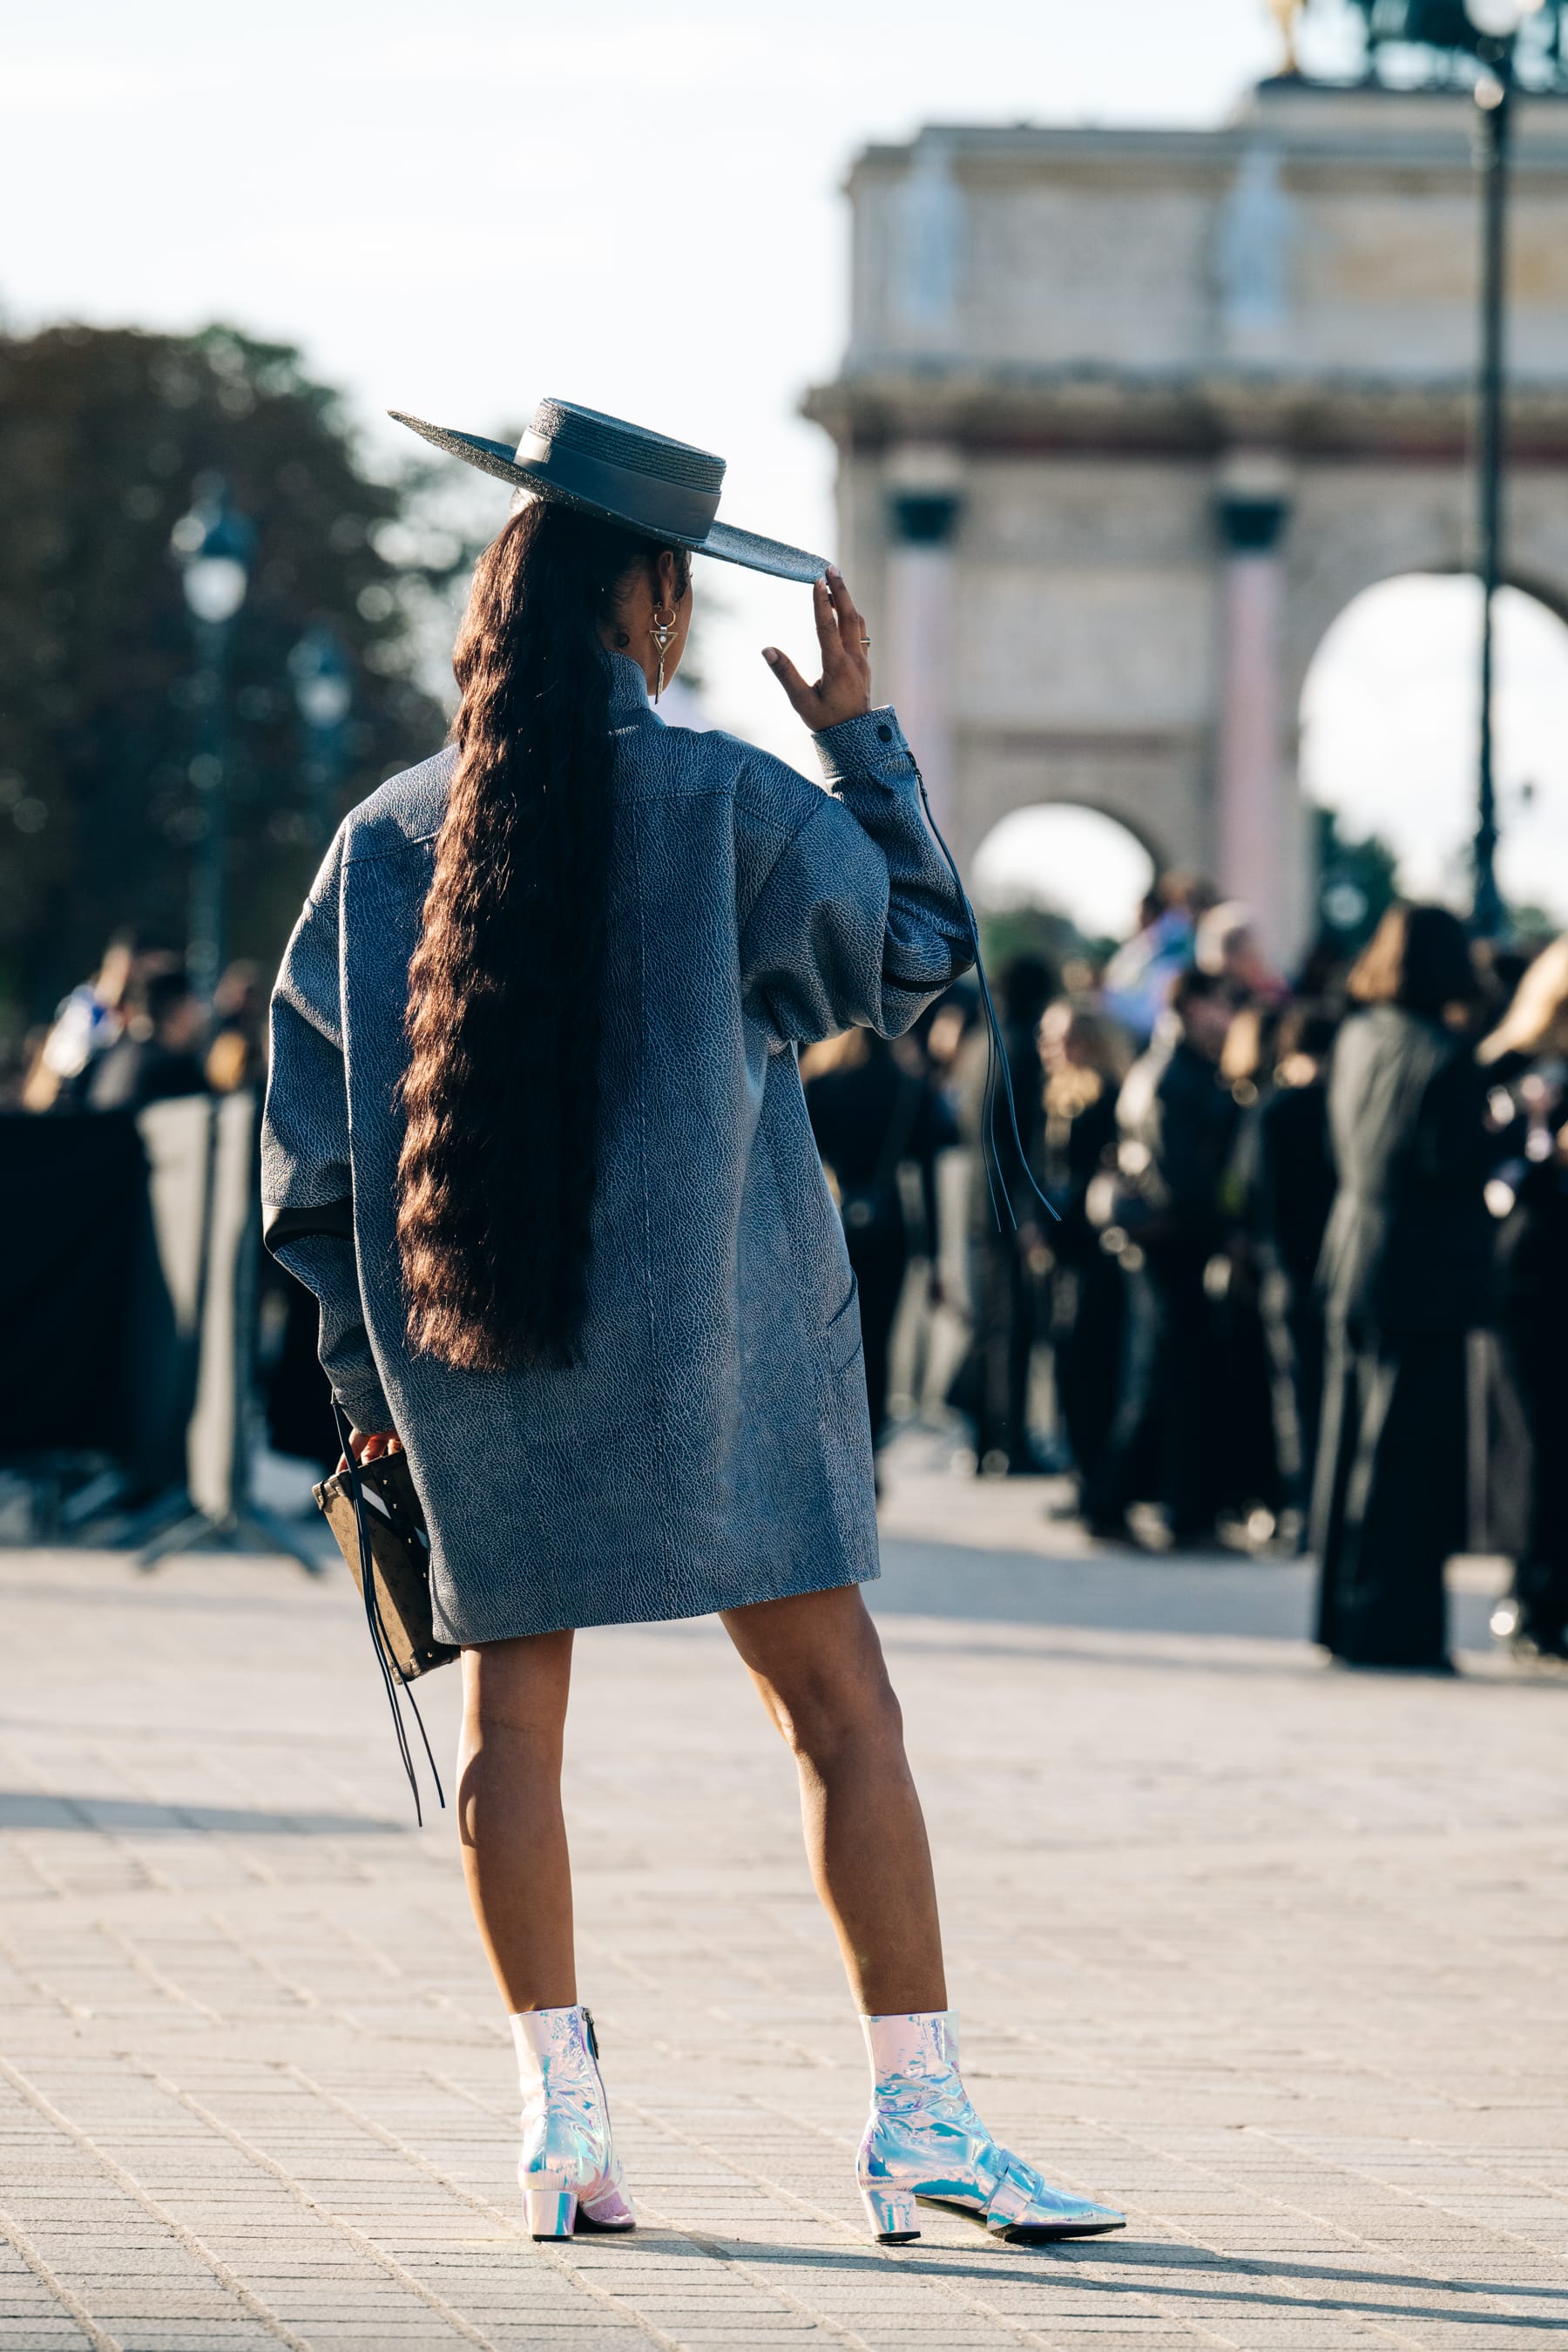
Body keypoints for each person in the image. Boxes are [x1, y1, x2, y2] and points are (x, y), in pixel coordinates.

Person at [261, 397, 1123, 2249]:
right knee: (842, 1714)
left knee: (518, 1730)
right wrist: (861, 743)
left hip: (478, 1345)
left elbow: (313, 1163)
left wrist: (371, 1389)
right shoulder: (735, 802)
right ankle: (924, 2125)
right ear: (657, 601)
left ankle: (564, 2137)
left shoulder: (383, 837)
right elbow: (914, 959)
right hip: (722, 1343)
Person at [1312, 903, 1490, 1670]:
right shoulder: (1448, 1056)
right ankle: (1397, 1627)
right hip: (1420, 1271)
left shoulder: (1357, 1035)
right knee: (1410, 1459)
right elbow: (1450, 1167)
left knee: (1350, 1440)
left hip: (1353, 1251)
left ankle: (1342, 1616)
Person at [1094, 966, 1240, 1546]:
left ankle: (1151, 1503)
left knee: (1166, 1375)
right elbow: (1181, 1175)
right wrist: (1220, 1218)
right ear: (1195, 1007)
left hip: (1167, 1240)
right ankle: (1153, 1505)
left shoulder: (1168, 1069)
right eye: (1220, 1004)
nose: (1228, 1018)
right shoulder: (1176, 1076)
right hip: (1172, 1241)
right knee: (1169, 1377)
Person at [803, 1026, 956, 1457]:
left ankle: (836, 1446)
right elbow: (927, 1181)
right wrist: (936, 1257)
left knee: (834, 1338)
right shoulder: (910, 1088)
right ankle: (870, 1451)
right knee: (879, 1340)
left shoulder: (821, 1084)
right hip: (891, 1232)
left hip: (832, 1228)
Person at [1477, 936, 1568, 1657]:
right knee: (1538, 1436)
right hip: (1533, 1268)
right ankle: (1532, 1595)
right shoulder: (1504, 1065)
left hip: (1540, 1259)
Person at [1037, 1001, 1132, 1510]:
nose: (1051, 1047)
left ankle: (1099, 1484)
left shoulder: (1105, 1098)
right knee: (1072, 1367)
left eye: (1064, 1037)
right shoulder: (1057, 1097)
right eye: (1047, 1037)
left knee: (1091, 1368)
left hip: (1095, 1255)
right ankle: (1086, 1478)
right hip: (1067, 1255)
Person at [1251, 1002, 1340, 1536]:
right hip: (1340, 1270)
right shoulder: (1343, 1107)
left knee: (1296, 1400)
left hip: (1287, 1273)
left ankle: (1305, 1509)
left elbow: (1254, 1195)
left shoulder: (1273, 1111)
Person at [84, 966, 207, 1112]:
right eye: (194, 1004)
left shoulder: (115, 1056)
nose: (201, 1014)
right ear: (179, 1009)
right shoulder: (174, 1070)